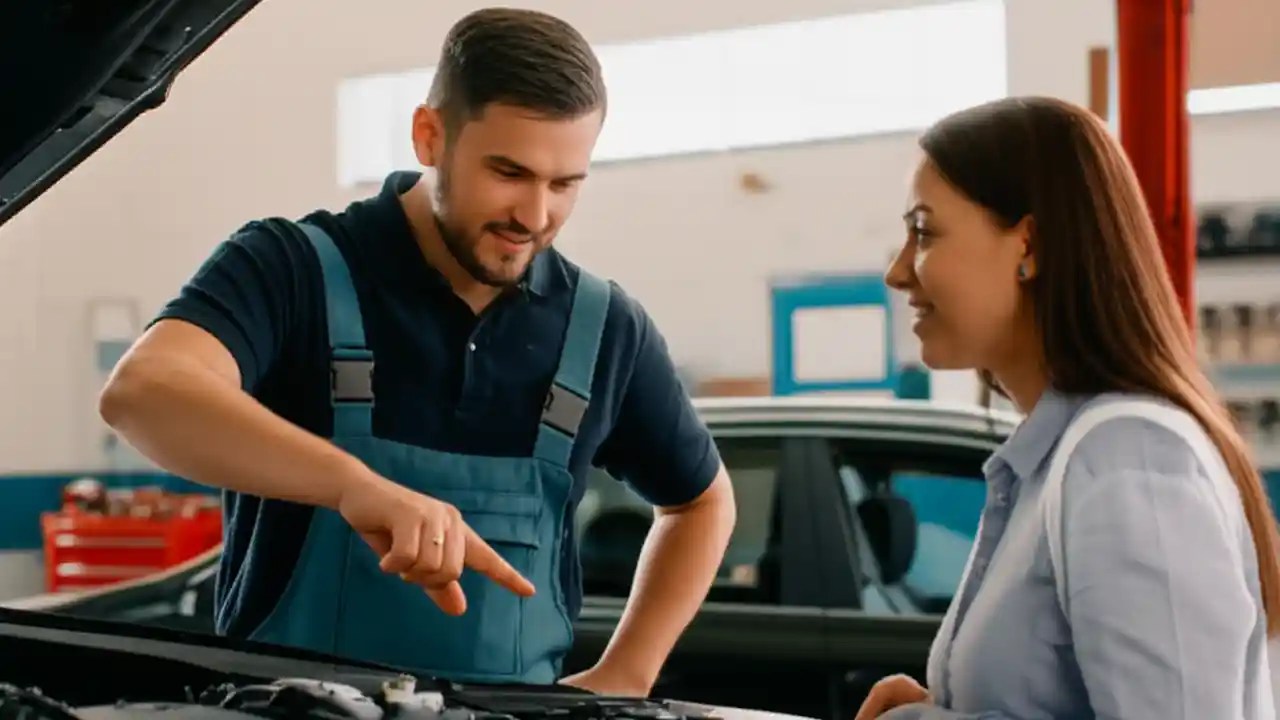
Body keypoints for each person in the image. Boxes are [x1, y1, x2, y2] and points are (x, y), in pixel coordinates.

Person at [98, 7, 736, 696]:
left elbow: (702, 504)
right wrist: (355, 487)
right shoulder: (290, 270)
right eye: (508, 172)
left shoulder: (606, 329)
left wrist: (628, 673)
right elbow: (143, 392)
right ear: (430, 136)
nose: (534, 214)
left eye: (564, 184)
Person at [856, 96, 1280, 719]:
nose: (898, 271)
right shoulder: (1063, 457)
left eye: (924, 230)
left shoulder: (1125, 459)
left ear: (1029, 243)